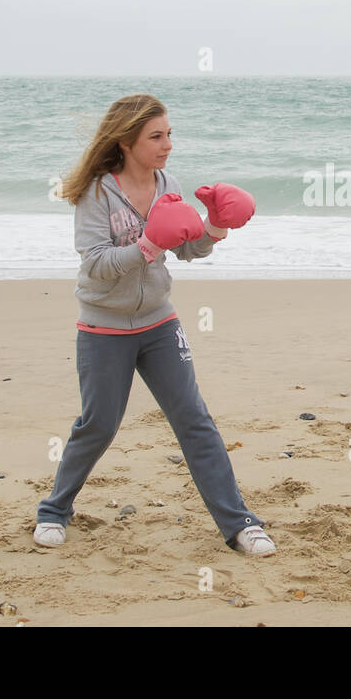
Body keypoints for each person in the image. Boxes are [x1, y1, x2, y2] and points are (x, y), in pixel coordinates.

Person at [33, 93, 276, 557]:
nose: (167, 145)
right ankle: (54, 510)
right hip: (104, 328)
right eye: (157, 136)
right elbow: (98, 266)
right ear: (127, 141)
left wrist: (216, 227)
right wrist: (147, 244)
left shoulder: (168, 182)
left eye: (169, 135)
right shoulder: (97, 192)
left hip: (159, 322)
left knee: (194, 420)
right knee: (99, 425)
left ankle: (241, 524)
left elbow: (185, 249)